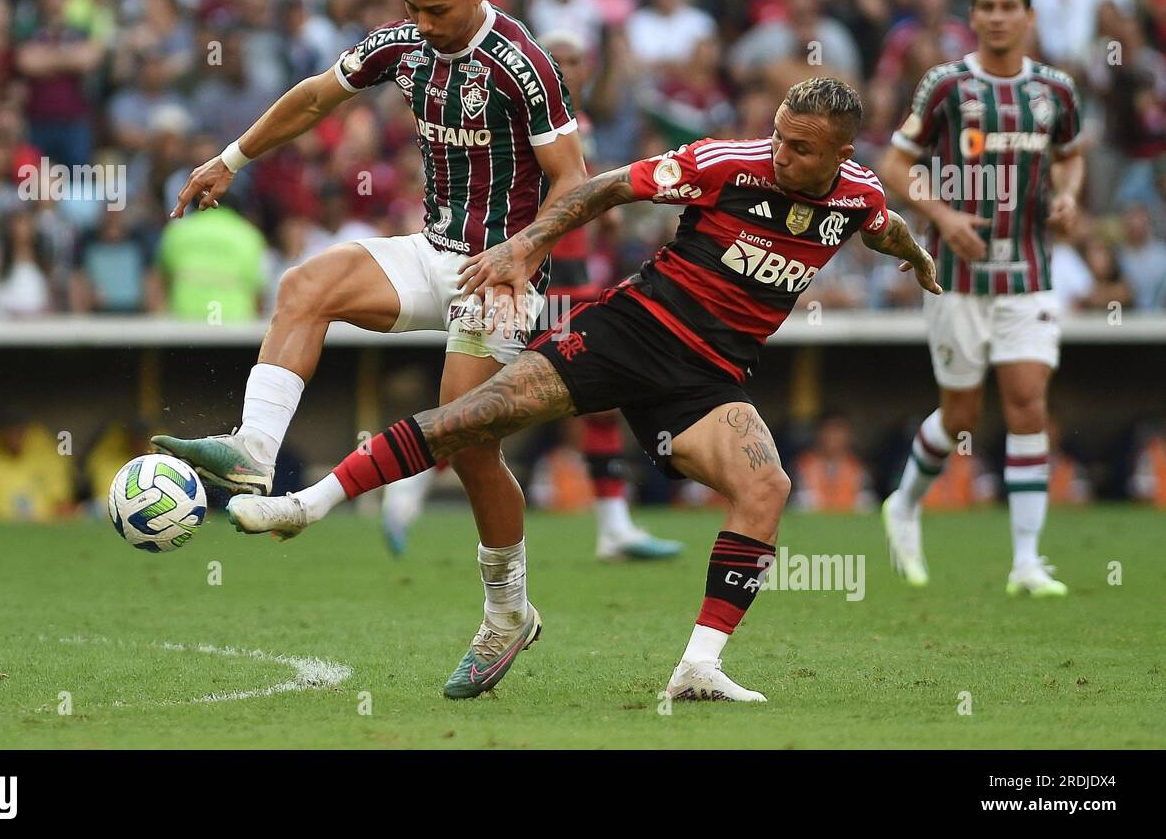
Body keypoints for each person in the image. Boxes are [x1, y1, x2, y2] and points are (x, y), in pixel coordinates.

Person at [224, 77, 942, 702]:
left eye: (803, 150)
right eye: (781, 138)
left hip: (709, 378)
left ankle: (697, 668)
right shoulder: (728, 163)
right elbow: (606, 187)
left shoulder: (858, 197)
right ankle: (306, 505)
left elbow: (885, 227)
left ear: (842, 157)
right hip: (629, 331)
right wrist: (528, 245)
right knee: (473, 420)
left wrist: (918, 258)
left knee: (767, 488)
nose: (783, 155)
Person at [152, 0, 585, 697]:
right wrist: (230, 158)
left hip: (501, 273)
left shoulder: (525, 64)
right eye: (412, 8)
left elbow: (575, 181)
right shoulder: (404, 46)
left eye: (439, 9)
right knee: (305, 285)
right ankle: (255, 448)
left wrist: (522, 254)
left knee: (468, 437)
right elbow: (318, 96)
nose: (423, 23)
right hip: (434, 251)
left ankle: (507, 613)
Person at [377, 28, 681, 562]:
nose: (566, 67)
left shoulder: (576, 125)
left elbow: (578, 204)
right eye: (557, 58)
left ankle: (613, 525)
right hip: (541, 280)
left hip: (578, 280)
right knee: (486, 406)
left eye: (576, 59)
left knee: (591, 401)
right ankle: (410, 483)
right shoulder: (531, 120)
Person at [878, 0, 1086, 597]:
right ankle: (904, 505)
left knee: (1028, 403)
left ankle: (1026, 562)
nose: (997, 17)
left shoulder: (1055, 90)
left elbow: (1072, 153)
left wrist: (1070, 197)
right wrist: (940, 213)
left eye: (1008, 6)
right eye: (987, 6)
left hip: (1030, 273)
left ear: (1029, 17)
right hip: (956, 277)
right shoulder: (946, 85)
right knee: (961, 413)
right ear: (974, 16)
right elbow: (894, 162)